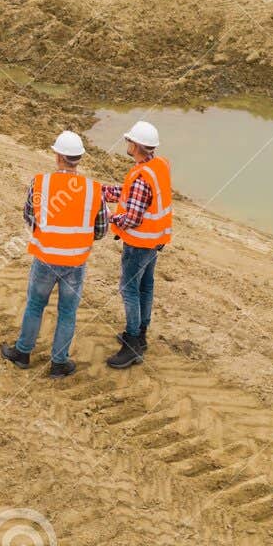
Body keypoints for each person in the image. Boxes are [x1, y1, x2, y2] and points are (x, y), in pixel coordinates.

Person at [0, 130, 108, 379]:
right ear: (79, 158)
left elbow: (29, 216)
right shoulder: (94, 189)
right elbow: (101, 229)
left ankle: (23, 353)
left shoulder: (41, 183)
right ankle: (59, 362)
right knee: (67, 312)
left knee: (35, 305)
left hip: (45, 257)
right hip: (75, 261)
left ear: (58, 156)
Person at [103, 120, 172, 369]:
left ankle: (132, 344)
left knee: (129, 289)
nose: (127, 144)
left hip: (139, 244)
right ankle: (141, 334)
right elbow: (132, 194)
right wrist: (104, 191)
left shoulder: (143, 176)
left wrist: (109, 217)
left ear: (138, 145)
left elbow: (132, 218)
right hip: (155, 241)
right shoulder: (157, 166)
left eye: (129, 140)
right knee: (146, 287)